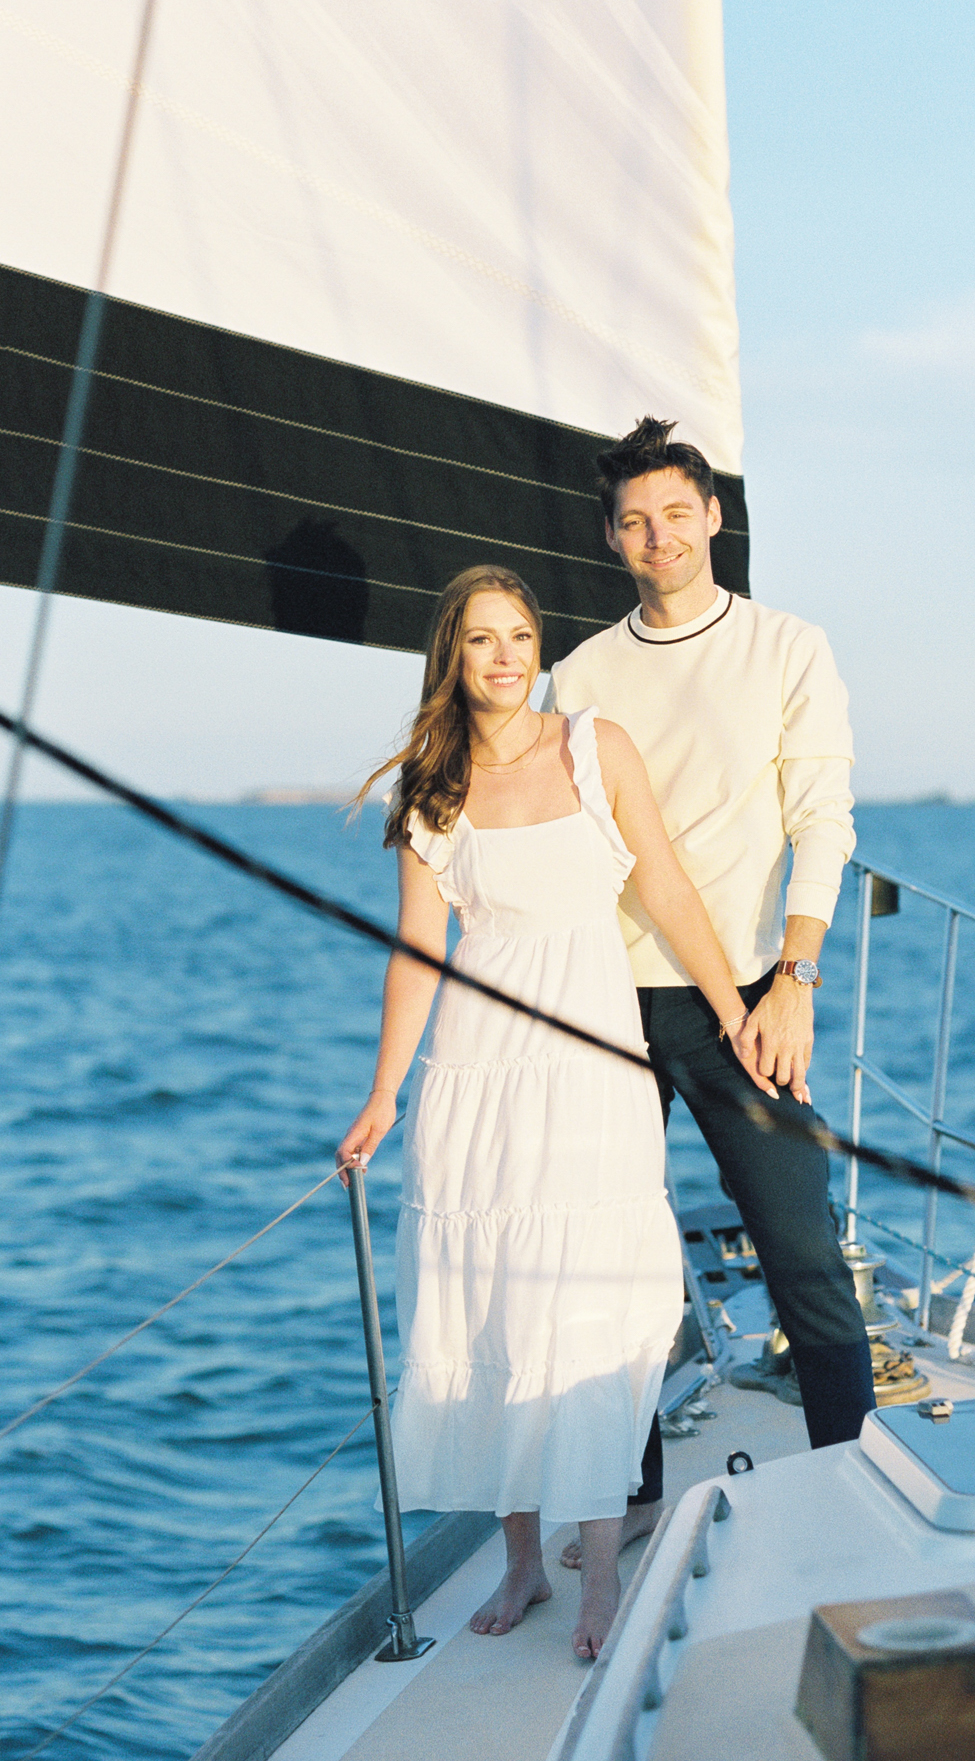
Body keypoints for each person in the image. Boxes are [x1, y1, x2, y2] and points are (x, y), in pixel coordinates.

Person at [337, 565, 771, 1662]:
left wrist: (737, 1014)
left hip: (589, 1067)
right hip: (477, 1079)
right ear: (454, 656)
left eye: (520, 634)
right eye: (481, 638)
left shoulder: (595, 746)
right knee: (493, 1307)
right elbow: (419, 951)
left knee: (590, 1305)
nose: (505, 654)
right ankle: (523, 1557)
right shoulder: (434, 790)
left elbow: (667, 888)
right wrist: (385, 1089)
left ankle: (600, 1570)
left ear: (540, 646)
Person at [546, 417, 875, 1565]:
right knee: (606, 1256)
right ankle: (624, 1491)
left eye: (677, 513)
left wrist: (797, 973)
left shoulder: (788, 646)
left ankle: (851, 1477)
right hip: (601, 992)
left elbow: (821, 817)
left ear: (712, 519)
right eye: (636, 520)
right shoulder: (580, 673)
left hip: (741, 992)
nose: (658, 535)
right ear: (613, 537)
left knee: (802, 1251)